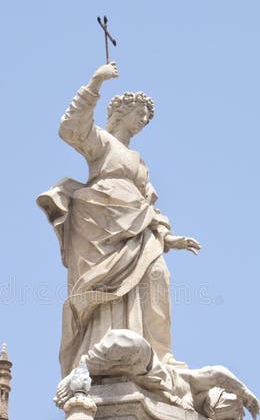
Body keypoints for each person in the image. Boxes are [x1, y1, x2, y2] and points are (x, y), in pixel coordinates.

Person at [37, 62, 201, 376]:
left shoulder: (139, 161)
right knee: (105, 291)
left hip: (138, 229)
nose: (143, 120)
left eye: (147, 118)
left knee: (158, 276)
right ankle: (104, 346)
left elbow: (148, 204)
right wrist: (96, 83)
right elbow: (71, 128)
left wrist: (169, 238)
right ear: (121, 112)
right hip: (100, 226)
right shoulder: (101, 142)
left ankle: (160, 353)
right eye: (139, 113)